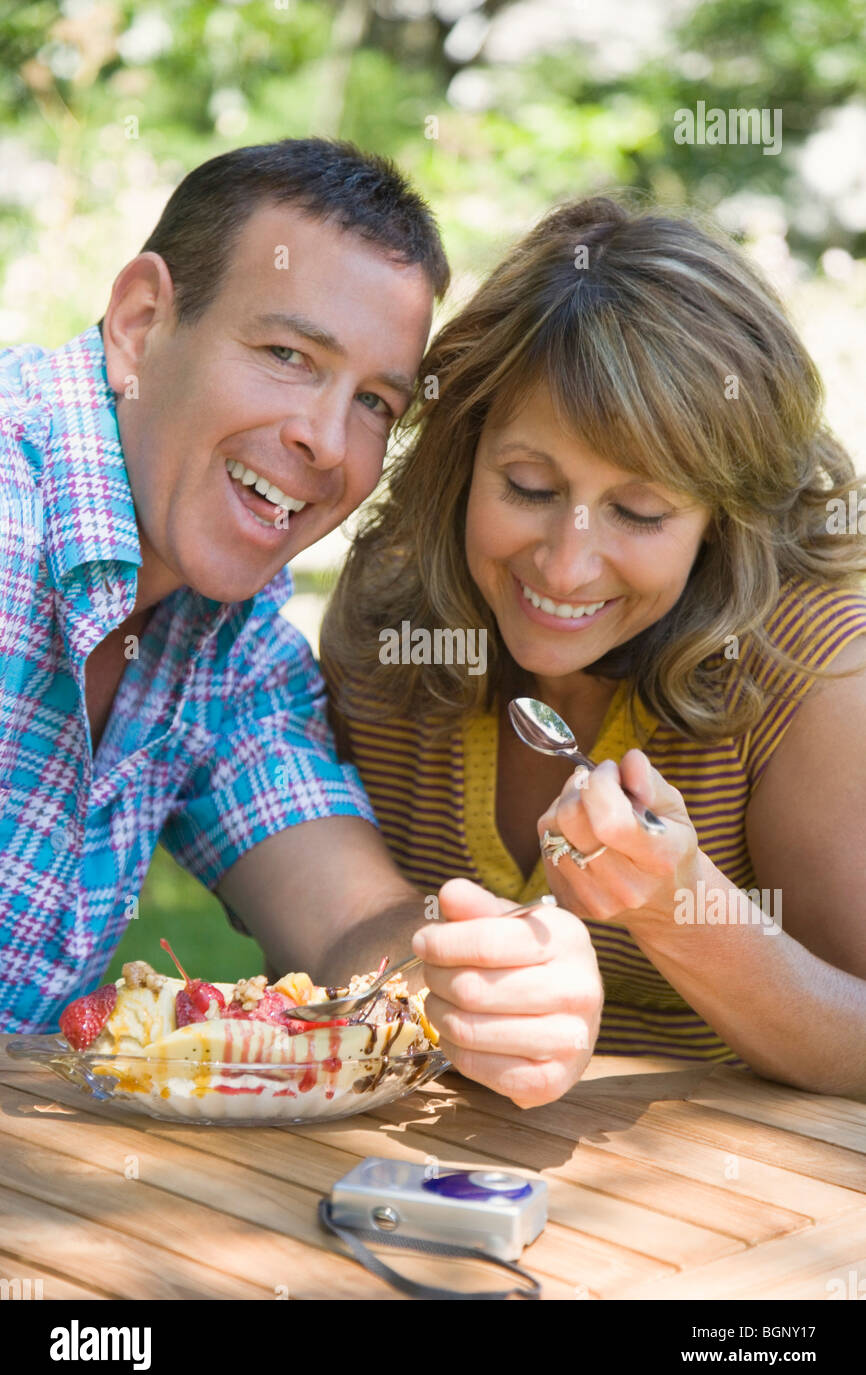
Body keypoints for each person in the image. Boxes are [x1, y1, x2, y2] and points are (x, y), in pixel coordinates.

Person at [0, 139, 603, 1109]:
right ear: (140, 321)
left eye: (372, 401)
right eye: (287, 356)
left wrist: (481, 979)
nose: (324, 442)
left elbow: (345, 928)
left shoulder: (227, 643)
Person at [321, 194, 866, 1099]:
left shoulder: (812, 668)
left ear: (721, 523)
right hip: (418, 1186)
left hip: (737, 1210)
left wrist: (680, 911)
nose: (568, 567)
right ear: (466, 455)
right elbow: (321, 952)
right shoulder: (391, 617)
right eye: (529, 486)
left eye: (640, 512)